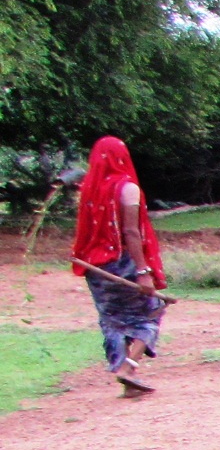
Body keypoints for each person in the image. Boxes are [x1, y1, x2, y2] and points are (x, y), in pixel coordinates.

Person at [71, 137, 167, 395]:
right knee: (151, 312)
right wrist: (143, 271)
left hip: (95, 267)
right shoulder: (127, 189)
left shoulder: (89, 188)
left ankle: (128, 383)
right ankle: (128, 368)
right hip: (122, 263)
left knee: (113, 321)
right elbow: (131, 233)